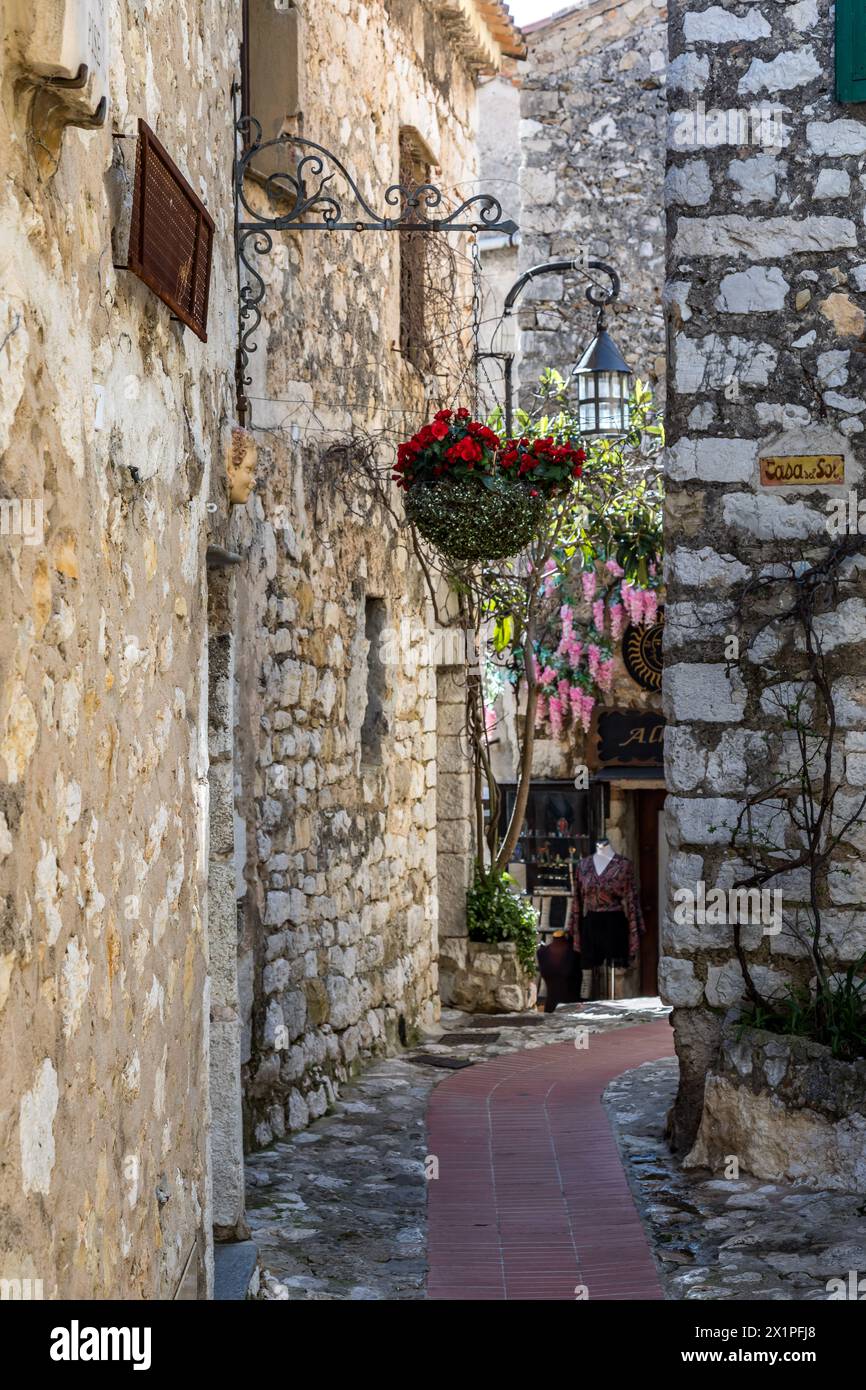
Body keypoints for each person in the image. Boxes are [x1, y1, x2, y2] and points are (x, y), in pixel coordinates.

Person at [536, 929, 582, 1013]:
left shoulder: (574, 954)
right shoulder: (541, 953)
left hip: (571, 1008)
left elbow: (579, 982)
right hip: (551, 1007)